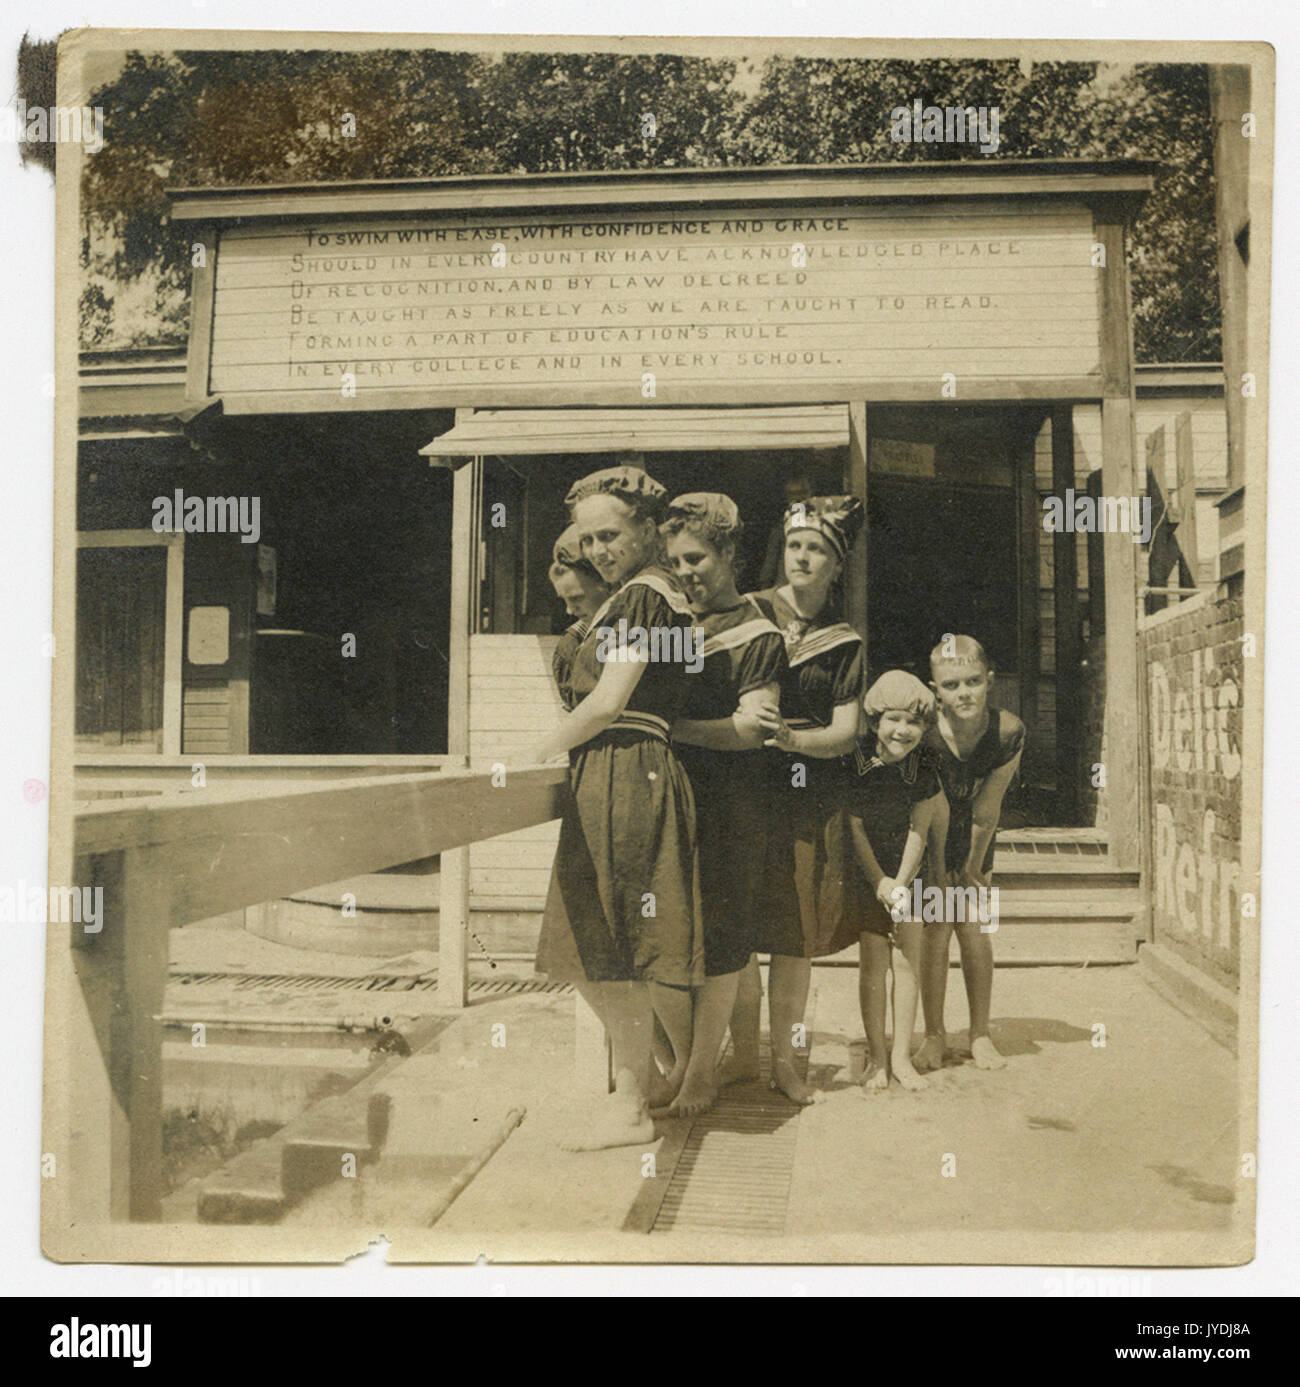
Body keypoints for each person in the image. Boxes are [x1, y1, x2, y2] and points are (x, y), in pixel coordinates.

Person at [531, 463, 704, 1150]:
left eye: (610, 535)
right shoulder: (637, 598)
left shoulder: (645, 596)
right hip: (619, 769)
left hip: (626, 769)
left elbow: (607, 702)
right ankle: (652, 1080)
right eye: (588, 539)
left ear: (647, 530)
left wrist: (533, 751)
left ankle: (632, 1104)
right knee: (592, 942)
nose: (599, 551)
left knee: (608, 946)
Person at [662, 492, 793, 1117]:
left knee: (724, 939)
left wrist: (669, 728)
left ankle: (701, 1076)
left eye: (697, 559)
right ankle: (719, 1058)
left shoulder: (759, 632)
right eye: (677, 561)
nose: (686, 572)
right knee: (690, 935)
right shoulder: (673, 622)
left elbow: (750, 732)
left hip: (733, 799)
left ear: (730, 552)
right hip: (677, 793)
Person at [741, 495, 866, 1105]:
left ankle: (787, 1064)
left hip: (805, 796)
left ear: (836, 565)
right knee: (731, 928)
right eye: (795, 546)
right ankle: (739, 1057)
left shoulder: (844, 642)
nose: (803, 557)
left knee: (793, 938)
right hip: (739, 786)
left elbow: (846, 734)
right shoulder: (747, 612)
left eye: (817, 549)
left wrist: (793, 738)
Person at [916, 635, 1025, 1073]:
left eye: (973, 682)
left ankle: (980, 1033)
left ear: (990, 681)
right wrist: (942, 872)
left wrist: (973, 868)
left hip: (977, 833)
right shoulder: (924, 734)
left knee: (974, 928)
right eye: (951, 685)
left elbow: (988, 806)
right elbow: (931, 808)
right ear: (935, 690)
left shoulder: (1007, 730)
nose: (964, 693)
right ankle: (934, 1035)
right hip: (929, 831)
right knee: (936, 929)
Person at [847, 671, 949, 1094]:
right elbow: (853, 827)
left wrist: (902, 884)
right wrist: (880, 882)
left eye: (914, 722)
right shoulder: (855, 759)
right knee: (874, 964)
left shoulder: (924, 764)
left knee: (909, 963)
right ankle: (876, 1057)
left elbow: (919, 828)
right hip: (869, 872)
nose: (903, 730)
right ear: (874, 721)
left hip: (910, 871)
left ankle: (902, 1056)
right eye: (893, 719)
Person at [548, 524, 612, 710]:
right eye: (565, 600)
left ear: (608, 585)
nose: (569, 610)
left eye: (577, 598)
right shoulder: (572, 643)